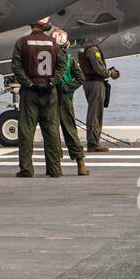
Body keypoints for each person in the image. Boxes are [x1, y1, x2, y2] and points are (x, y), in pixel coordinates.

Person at [11, 18, 64, 177]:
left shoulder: (22, 42)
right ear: (45, 26)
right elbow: (61, 65)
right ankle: (54, 169)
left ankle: (26, 169)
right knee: (51, 131)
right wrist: (52, 82)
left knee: (26, 131)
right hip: (50, 91)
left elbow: (16, 67)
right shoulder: (53, 43)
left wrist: (29, 84)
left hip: (30, 92)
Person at [51, 29, 90, 177]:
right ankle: (81, 164)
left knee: (52, 132)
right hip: (65, 99)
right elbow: (80, 78)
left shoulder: (49, 60)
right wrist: (67, 88)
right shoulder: (69, 59)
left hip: (51, 98)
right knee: (70, 131)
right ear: (66, 45)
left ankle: (56, 166)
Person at [76, 38, 116, 152]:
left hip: (89, 82)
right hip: (95, 83)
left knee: (93, 111)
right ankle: (93, 143)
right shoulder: (93, 50)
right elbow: (100, 69)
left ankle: (93, 141)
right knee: (95, 113)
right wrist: (111, 73)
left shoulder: (83, 48)